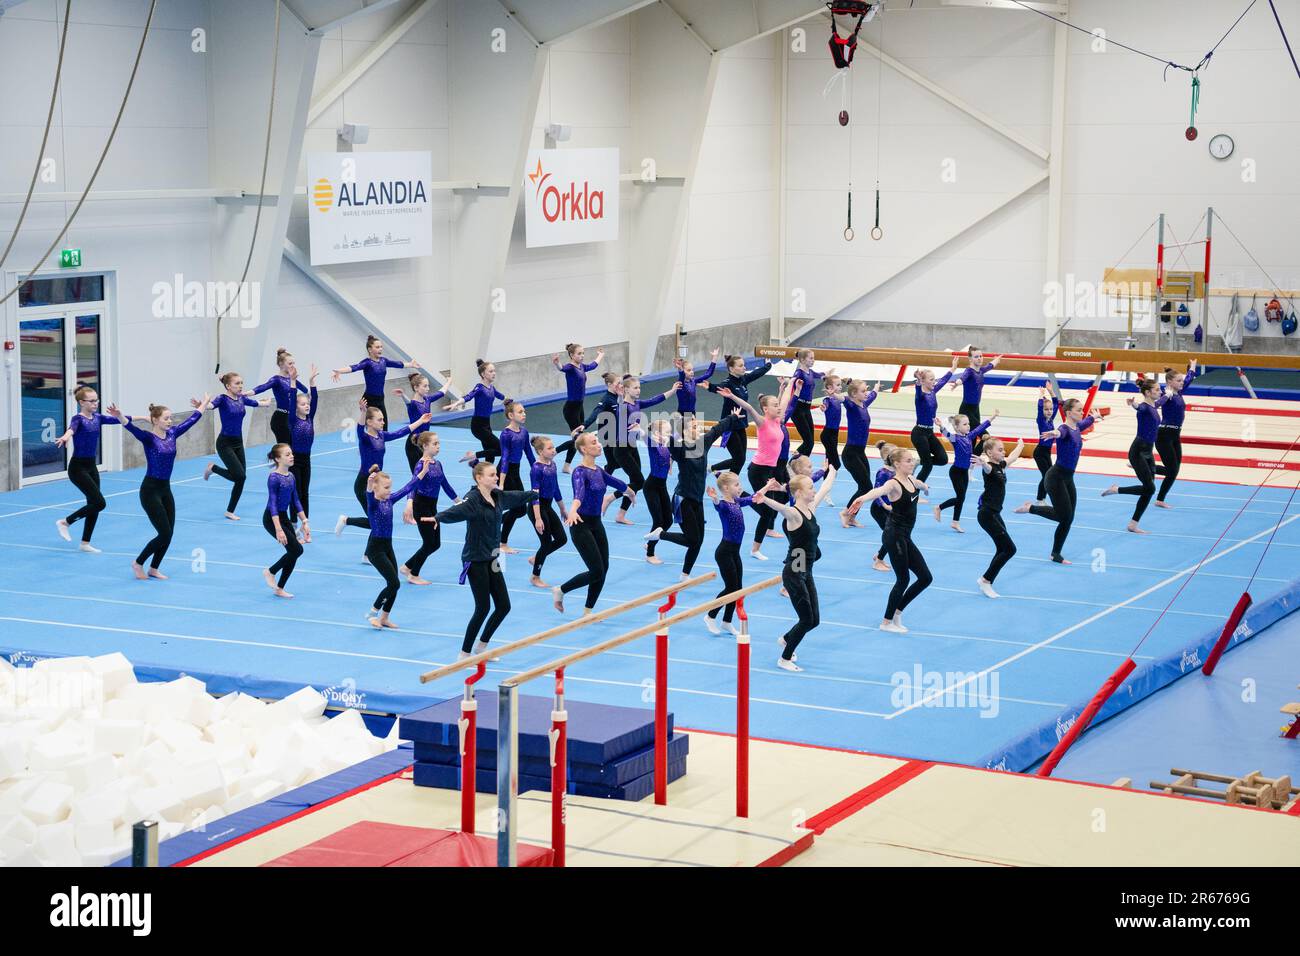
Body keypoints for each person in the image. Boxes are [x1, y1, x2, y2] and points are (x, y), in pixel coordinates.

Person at [434, 461, 537, 656]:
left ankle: (481, 647)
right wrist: (437, 518)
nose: (496, 477)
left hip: (493, 557)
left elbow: (516, 497)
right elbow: (456, 511)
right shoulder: (472, 499)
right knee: (482, 608)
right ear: (479, 478)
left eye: (495, 474)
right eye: (491, 475)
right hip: (475, 559)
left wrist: (535, 493)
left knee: (504, 606)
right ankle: (464, 653)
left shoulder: (498, 496)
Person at [110, 398, 207, 580]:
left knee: (169, 532)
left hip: (165, 489)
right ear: (155, 420)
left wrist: (205, 403)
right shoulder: (149, 438)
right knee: (164, 533)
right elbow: (131, 429)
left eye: (170, 418)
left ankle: (154, 568)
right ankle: (138, 563)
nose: (170, 421)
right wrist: (120, 416)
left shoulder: (173, 433)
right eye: (166, 418)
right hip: (150, 490)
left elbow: (192, 420)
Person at [753, 468, 837, 672]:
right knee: (806, 619)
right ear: (798, 493)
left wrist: (832, 470)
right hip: (794, 570)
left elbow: (825, 488)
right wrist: (763, 498)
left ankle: (787, 638)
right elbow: (781, 507)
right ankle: (785, 658)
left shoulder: (811, 509)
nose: (814, 490)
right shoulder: (793, 514)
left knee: (814, 620)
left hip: (805, 569)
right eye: (810, 487)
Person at [1015, 398, 1109, 564]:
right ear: (1068, 412)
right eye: (1079, 410)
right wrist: (1055, 434)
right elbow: (1061, 433)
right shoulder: (1064, 428)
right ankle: (1031, 508)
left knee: (1069, 517)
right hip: (1056, 477)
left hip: (1068, 478)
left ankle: (1055, 553)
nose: (1082, 412)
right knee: (1063, 516)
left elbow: (1087, 421)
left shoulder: (1077, 426)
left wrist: (1094, 416)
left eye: (1082, 410)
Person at [651, 411, 743, 579]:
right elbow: (671, 443)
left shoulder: (703, 442)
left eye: (696, 422)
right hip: (682, 499)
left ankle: (684, 575)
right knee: (692, 539)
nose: (697, 425)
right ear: (684, 430)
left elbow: (717, 429)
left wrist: (733, 418)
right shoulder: (681, 449)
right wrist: (666, 436)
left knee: (698, 541)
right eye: (692, 424)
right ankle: (660, 534)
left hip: (697, 499)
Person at [848, 449, 932, 634]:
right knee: (903, 579)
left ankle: (897, 612)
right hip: (894, 535)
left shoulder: (910, 480)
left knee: (926, 578)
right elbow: (878, 491)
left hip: (905, 536)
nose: (912, 463)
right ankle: (886, 622)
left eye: (912, 460)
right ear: (897, 464)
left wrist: (924, 487)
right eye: (908, 461)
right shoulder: (893, 484)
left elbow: (917, 484)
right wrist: (861, 498)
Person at [719, 380, 794, 561]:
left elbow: (784, 401)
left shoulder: (777, 421)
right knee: (767, 512)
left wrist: (790, 384)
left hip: (770, 471)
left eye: (778, 406)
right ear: (766, 409)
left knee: (772, 506)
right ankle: (755, 549)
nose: (778, 407)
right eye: (774, 406)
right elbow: (749, 407)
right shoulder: (762, 422)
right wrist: (731, 396)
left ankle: (742, 496)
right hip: (758, 470)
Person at [555, 433, 628, 615]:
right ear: (584, 449)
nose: (599, 445)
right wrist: (572, 510)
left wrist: (630, 492)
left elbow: (617, 482)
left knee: (604, 568)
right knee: (596, 571)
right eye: (594, 443)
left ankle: (588, 611)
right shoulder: (579, 472)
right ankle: (561, 590)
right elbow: (578, 494)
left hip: (596, 522)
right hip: (580, 523)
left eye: (597, 442)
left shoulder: (599, 470)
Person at [335, 398, 429, 533]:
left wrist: (420, 420)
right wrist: (363, 412)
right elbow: (360, 429)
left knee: (377, 522)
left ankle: (366, 552)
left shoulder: (381, 436)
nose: (383, 422)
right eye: (379, 420)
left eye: (383, 419)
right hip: (364, 484)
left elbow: (400, 432)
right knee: (375, 522)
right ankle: (345, 520)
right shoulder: (365, 439)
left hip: (378, 482)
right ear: (369, 422)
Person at [54, 387, 121, 552]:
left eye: (97, 400)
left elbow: (119, 420)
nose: (96, 403)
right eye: (92, 401)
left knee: (94, 504)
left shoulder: (97, 418)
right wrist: (65, 437)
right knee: (100, 502)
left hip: (91, 467)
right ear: (81, 402)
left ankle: (85, 543)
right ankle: (65, 522)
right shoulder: (78, 419)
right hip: (78, 468)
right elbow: (71, 429)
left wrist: (146, 418)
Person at [200, 371, 272, 519]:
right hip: (224, 443)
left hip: (238, 442)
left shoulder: (241, 398)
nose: (240, 386)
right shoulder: (222, 399)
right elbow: (211, 406)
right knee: (239, 475)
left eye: (241, 383)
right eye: (237, 384)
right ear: (228, 386)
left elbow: (255, 403)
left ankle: (229, 511)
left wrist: (266, 403)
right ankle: (213, 468)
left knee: (241, 478)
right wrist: (202, 404)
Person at [610, 376, 679, 525]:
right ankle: (610, 498)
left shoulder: (637, 404)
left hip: (632, 448)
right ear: (626, 389)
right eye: (635, 387)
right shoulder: (624, 407)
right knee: (639, 481)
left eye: (639, 387)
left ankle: (620, 515)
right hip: (621, 449)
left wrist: (672, 391)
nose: (639, 390)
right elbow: (621, 411)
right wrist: (621, 398)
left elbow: (655, 399)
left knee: (636, 481)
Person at [359, 465, 418, 629]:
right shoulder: (373, 504)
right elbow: (369, 494)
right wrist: (369, 484)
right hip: (375, 549)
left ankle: (384, 618)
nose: (389, 490)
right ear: (376, 487)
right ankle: (372, 612)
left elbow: (408, 487)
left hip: (387, 546)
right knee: (394, 583)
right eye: (386, 487)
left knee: (394, 583)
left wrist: (422, 473)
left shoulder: (389, 500)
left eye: (390, 487)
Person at [399, 431, 458, 585]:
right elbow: (413, 484)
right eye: (435, 444)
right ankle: (413, 574)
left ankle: (407, 566)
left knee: (435, 544)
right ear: (425, 446)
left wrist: (457, 500)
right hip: (421, 505)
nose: (438, 446)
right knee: (428, 543)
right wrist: (409, 503)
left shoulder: (438, 464)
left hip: (432, 506)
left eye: (439, 443)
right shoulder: (421, 465)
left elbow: (445, 484)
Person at [1101, 379, 1159, 533]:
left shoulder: (1154, 405)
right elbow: (1139, 407)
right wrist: (1133, 404)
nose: (1160, 392)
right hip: (1138, 451)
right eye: (1157, 389)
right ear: (1148, 393)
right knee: (1150, 488)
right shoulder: (1145, 407)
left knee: (1149, 490)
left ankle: (1133, 524)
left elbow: (1166, 397)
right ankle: (1117, 489)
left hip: (1148, 451)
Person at [331, 335, 421, 426]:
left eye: (381, 347)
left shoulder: (383, 361)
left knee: (384, 426)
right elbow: (354, 367)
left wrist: (410, 364)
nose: (380, 349)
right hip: (368, 400)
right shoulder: (367, 363)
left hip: (380, 399)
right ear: (370, 349)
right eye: (377, 347)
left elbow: (397, 364)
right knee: (372, 428)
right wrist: (340, 371)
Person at [706, 355, 773, 475]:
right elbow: (717, 387)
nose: (744, 368)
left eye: (744, 365)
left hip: (741, 425)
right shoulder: (728, 383)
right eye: (741, 366)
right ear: (731, 369)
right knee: (739, 459)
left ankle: (731, 485)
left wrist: (767, 366)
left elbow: (756, 374)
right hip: (729, 425)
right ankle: (711, 468)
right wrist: (709, 386)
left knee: (740, 460)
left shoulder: (743, 380)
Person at [933, 410, 998, 533]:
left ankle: (955, 522)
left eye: (968, 424)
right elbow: (946, 433)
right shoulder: (955, 438)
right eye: (964, 424)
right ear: (956, 427)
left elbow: (980, 428)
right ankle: (939, 507)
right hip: (956, 472)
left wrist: (992, 417)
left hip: (964, 472)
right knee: (960, 498)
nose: (968, 426)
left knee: (961, 497)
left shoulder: (969, 436)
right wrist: (941, 426)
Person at [974, 438, 1023, 599]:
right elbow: (987, 468)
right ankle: (985, 580)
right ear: (989, 453)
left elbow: (1013, 457)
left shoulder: (1001, 466)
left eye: (1003, 449)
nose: (1003, 452)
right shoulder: (989, 468)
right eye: (1000, 450)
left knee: (1002, 548)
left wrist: (1020, 445)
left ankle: (987, 580)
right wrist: (983, 462)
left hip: (995, 514)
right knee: (1010, 549)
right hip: (987, 515)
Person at [704, 472, 753, 634]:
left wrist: (766, 488)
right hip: (724, 552)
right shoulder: (724, 504)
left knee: (737, 588)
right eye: (737, 485)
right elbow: (718, 505)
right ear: (726, 488)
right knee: (731, 587)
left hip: (734, 552)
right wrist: (714, 498)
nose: (740, 487)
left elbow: (750, 499)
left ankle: (726, 621)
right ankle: (710, 616)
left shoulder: (736, 501)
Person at [262, 443, 309, 598]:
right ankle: (270, 571)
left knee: (293, 551)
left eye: (291, 453)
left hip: (283, 516)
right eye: (287, 454)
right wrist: (278, 529)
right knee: (297, 550)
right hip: (271, 518)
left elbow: (295, 500)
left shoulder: (291, 477)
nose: (292, 456)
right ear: (277, 459)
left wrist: (305, 521)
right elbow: (273, 503)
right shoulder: (274, 478)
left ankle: (279, 588)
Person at [1153, 359, 1198, 507]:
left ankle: (1160, 500)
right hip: (1164, 435)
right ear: (1170, 382)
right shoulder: (1167, 393)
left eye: (1181, 380)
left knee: (1174, 470)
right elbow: (1156, 403)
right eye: (1178, 380)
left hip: (1175, 436)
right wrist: (1165, 395)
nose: (1182, 383)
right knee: (1171, 470)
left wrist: (1192, 367)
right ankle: (1142, 465)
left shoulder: (1178, 392)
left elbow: (1189, 380)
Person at [552, 343, 605, 468]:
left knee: (578, 438)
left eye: (583, 353)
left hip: (579, 406)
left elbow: (593, 366)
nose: (582, 356)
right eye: (579, 353)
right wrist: (556, 363)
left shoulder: (581, 366)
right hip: (571, 408)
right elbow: (561, 368)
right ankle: (554, 452)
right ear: (571, 355)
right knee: (578, 438)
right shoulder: (570, 367)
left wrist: (600, 355)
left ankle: (566, 465)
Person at [494, 399, 536, 553]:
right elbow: (504, 458)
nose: (524, 414)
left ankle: (495, 523)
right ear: (511, 415)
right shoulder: (506, 434)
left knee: (521, 510)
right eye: (520, 412)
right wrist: (502, 483)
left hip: (515, 471)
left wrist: (537, 470)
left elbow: (529, 454)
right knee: (518, 508)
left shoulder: (524, 432)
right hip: (505, 472)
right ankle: (502, 543)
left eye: (524, 411)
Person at [557, 371, 619, 473]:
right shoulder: (606, 399)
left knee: (616, 463)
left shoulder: (617, 397)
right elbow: (596, 411)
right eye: (618, 383)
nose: (620, 386)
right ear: (610, 385)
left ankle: (602, 472)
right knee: (614, 463)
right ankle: (599, 475)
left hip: (615, 433)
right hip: (607, 435)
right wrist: (584, 424)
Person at [838, 378, 880, 527]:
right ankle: (845, 513)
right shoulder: (852, 406)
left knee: (865, 487)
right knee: (866, 487)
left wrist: (875, 389)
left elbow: (873, 396)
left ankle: (851, 516)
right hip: (850, 454)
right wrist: (836, 394)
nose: (866, 393)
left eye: (865, 390)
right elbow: (843, 399)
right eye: (863, 391)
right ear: (854, 394)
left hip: (860, 452)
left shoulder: (863, 404)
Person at [911, 357, 959, 485]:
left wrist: (953, 368)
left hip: (929, 432)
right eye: (931, 379)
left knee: (943, 459)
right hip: (919, 433)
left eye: (934, 379)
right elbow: (918, 390)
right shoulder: (920, 396)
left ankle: (917, 462)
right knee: (928, 465)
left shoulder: (932, 391)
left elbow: (943, 380)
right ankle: (914, 491)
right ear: (924, 381)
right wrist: (918, 381)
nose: (934, 381)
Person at [527, 435, 567, 587]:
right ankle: (535, 577)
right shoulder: (536, 468)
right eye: (549, 448)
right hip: (536, 507)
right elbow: (534, 495)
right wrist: (537, 518)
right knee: (545, 543)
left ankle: (536, 558)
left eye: (553, 447)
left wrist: (562, 509)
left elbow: (555, 488)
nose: (553, 450)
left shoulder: (552, 464)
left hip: (548, 506)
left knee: (561, 539)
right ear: (540, 451)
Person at [448, 359, 506, 465]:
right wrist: (457, 403)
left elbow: (501, 396)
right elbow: (468, 396)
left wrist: (508, 401)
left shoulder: (491, 388)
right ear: (483, 374)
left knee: (490, 457)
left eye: (494, 371)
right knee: (501, 449)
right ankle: (473, 456)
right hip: (478, 426)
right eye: (491, 371)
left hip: (486, 424)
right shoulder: (479, 387)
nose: (494, 373)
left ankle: (483, 474)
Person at [392, 371, 450, 474]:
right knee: (418, 475)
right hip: (413, 444)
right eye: (425, 386)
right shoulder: (413, 405)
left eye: (428, 386)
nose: (428, 389)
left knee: (426, 474)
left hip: (425, 442)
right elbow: (409, 403)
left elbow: (442, 392)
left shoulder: (427, 399)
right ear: (416, 388)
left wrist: (449, 381)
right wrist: (403, 395)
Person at [947, 347, 1000, 456]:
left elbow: (990, 365)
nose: (980, 358)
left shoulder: (980, 370)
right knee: (985, 437)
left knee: (973, 439)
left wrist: (997, 359)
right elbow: (963, 377)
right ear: (970, 359)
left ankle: (969, 465)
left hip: (975, 409)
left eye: (981, 356)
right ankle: (970, 460)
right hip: (967, 410)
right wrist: (958, 382)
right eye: (976, 356)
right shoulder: (969, 371)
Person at [251, 348, 308, 446]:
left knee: (294, 448)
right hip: (281, 419)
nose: (293, 366)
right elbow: (263, 387)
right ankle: (278, 459)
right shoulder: (276, 379)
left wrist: (295, 379)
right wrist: (249, 392)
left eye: (293, 363)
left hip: (292, 417)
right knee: (285, 449)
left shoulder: (291, 379)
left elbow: (305, 390)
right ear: (281, 364)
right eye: (290, 364)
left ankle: (277, 459)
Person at [288, 370, 320, 521]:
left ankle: (305, 523)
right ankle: (293, 522)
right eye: (303, 404)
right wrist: (293, 382)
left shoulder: (310, 419)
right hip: (294, 460)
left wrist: (312, 382)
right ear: (296, 407)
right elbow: (291, 399)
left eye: (307, 404)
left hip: (307, 459)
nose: (307, 406)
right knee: (296, 492)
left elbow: (315, 400)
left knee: (305, 492)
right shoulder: (293, 420)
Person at [642, 418, 674, 565]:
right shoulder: (653, 444)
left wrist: (670, 464)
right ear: (657, 433)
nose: (669, 434)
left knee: (668, 520)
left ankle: (650, 544)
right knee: (658, 521)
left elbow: (670, 455)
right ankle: (650, 553)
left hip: (662, 486)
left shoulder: (666, 443)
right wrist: (640, 431)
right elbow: (645, 437)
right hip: (651, 487)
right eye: (667, 432)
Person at [790, 349, 833, 458]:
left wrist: (827, 374)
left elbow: (820, 375)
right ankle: (793, 462)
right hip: (798, 409)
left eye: (814, 358)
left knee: (811, 442)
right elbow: (792, 382)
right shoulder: (799, 373)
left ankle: (802, 463)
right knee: (808, 442)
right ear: (803, 360)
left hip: (806, 408)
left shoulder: (810, 372)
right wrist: (786, 382)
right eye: (811, 358)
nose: (813, 360)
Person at [868, 442, 896, 572]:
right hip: (879, 509)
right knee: (890, 534)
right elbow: (876, 492)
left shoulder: (895, 470)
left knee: (893, 534)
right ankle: (878, 560)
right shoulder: (883, 473)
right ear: (888, 457)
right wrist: (885, 505)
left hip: (890, 508)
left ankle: (879, 556)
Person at [673, 348, 719, 420]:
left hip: (692, 412)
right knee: (683, 431)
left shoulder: (693, 381)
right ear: (683, 371)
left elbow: (708, 374)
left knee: (693, 431)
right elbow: (682, 375)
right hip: (682, 414)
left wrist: (714, 357)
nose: (692, 372)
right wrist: (680, 369)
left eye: (692, 370)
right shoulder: (680, 383)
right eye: (688, 370)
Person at [1032, 386, 1060, 504]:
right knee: (1046, 476)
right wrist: (1041, 394)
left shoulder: (1050, 420)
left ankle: (1042, 498)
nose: (1049, 411)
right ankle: (1040, 499)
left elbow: (1056, 404)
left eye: (1050, 409)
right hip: (1040, 452)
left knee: (1049, 475)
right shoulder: (1041, 420)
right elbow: (1039, 408)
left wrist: (1051, 391)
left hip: (1046, 452)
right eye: (1046, 409)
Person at [819, 373, 844, 475]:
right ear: (829, 387)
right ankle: (827, 478)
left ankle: (826, 482)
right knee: (836, 464)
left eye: (840, 384)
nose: (841, 387)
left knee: (829, 461)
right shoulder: (827, 399)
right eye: (838, 385)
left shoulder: (839, 399)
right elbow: (825, 404)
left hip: (834, 434)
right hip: (828, 435)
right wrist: (824, 407)